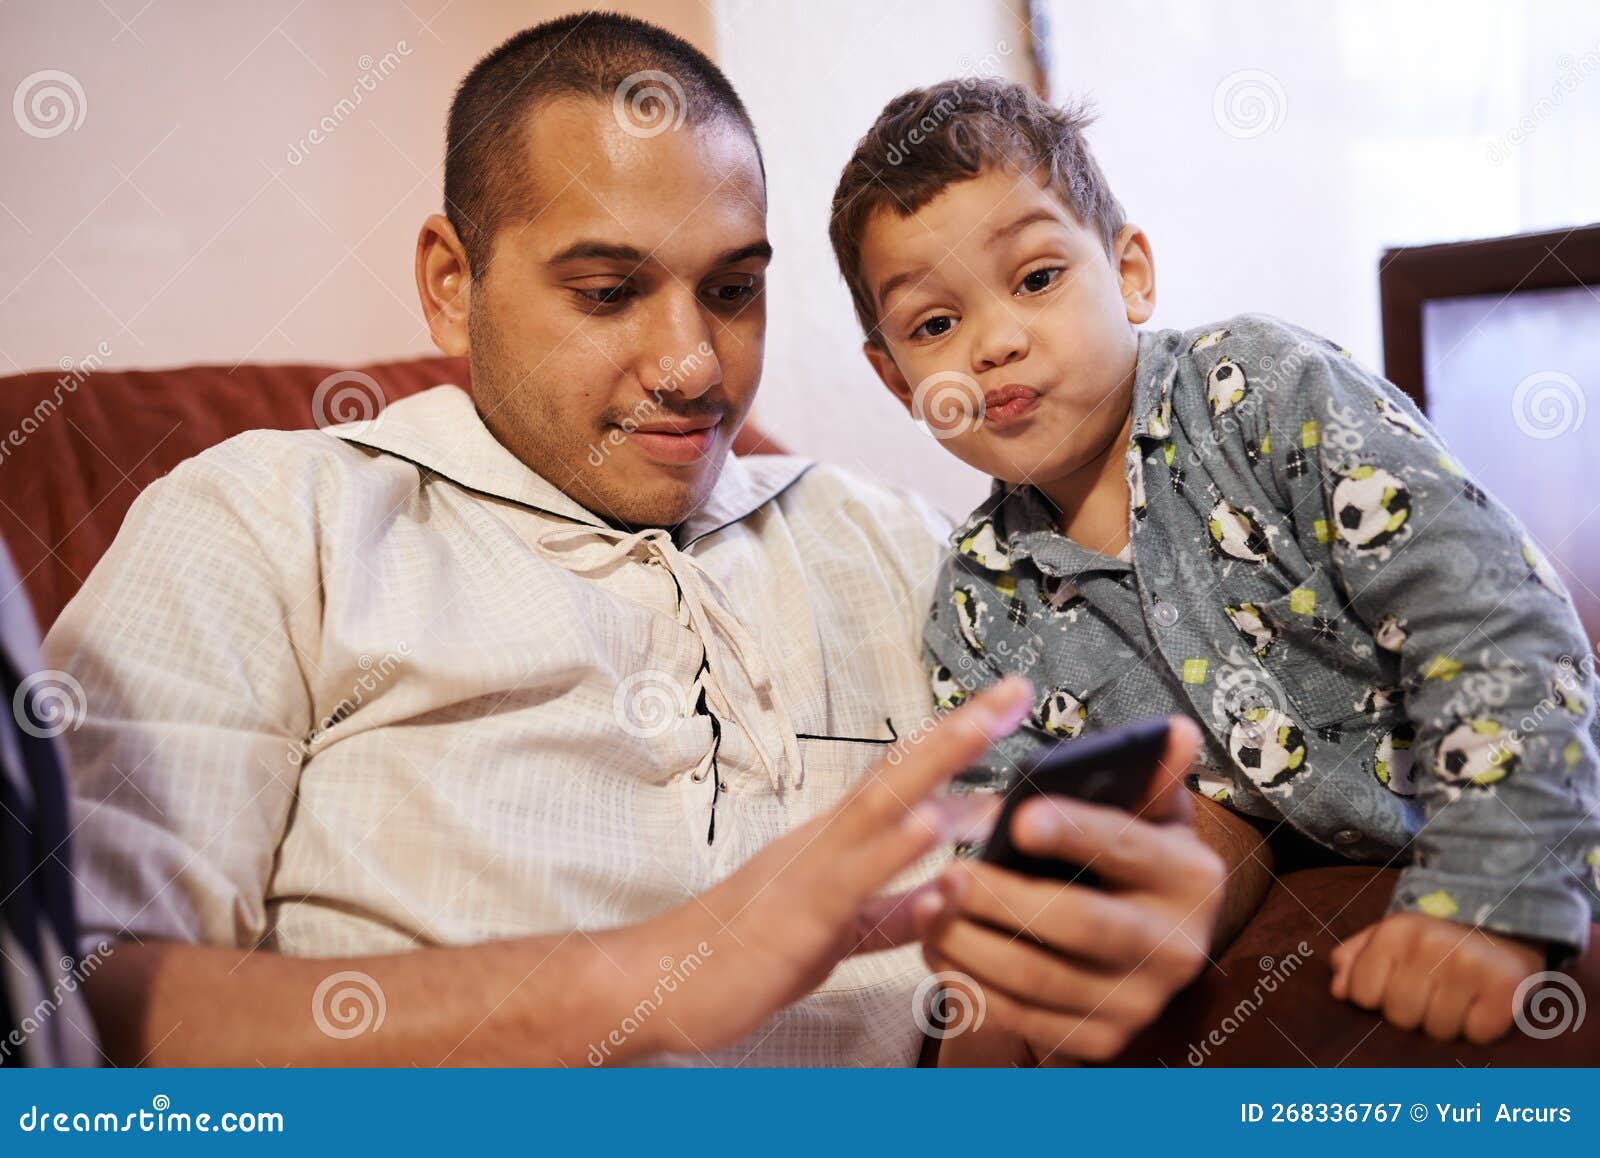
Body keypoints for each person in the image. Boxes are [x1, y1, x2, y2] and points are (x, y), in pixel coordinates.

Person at [43, 14, 1233, 1067]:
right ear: (451, 283)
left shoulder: (900, 545)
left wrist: (1149, 921)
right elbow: (73, 997)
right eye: (608, 293)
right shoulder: (266, 518)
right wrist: (657, 974)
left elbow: (1178, 807)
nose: (692, 369)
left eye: (731, 292)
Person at [827, 76, 1600, 1045]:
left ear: (1130, 272)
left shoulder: (1263, 392)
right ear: (895, 375)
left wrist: (1489, 903)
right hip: (1301, 867)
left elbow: (1492, 618)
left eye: (1035, 279)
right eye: (935, 325)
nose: (997, 342)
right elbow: (1023, 847)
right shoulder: (978, 604)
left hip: (1533, 815)